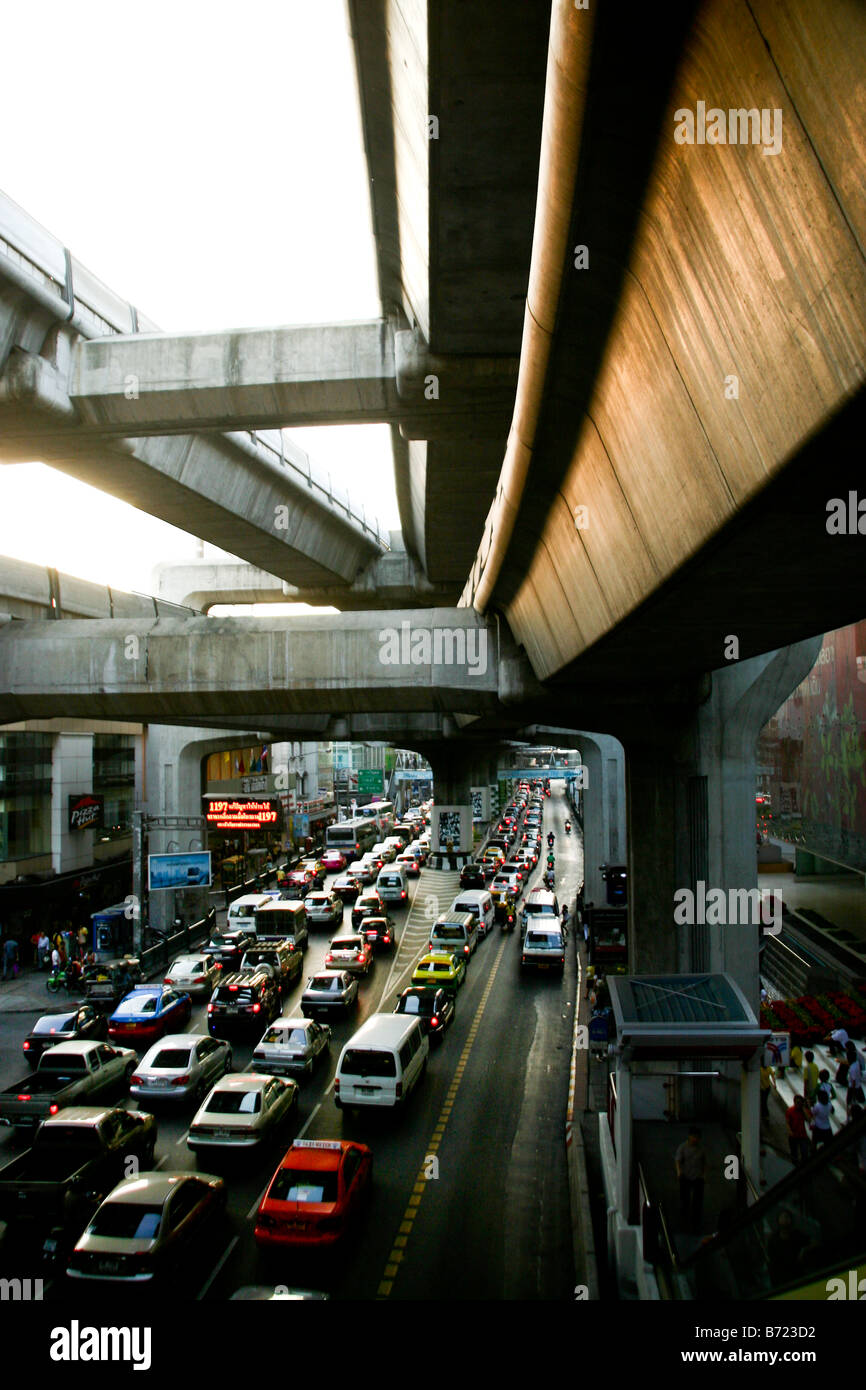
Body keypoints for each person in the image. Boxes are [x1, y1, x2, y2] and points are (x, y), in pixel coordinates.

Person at [675, 1128, 707, 1232]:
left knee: (697, 1200)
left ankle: (695, 1220)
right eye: (693, 1137)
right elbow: (678, 1160)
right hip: (685, 1175)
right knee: (685, 1199)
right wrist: (679, 1172)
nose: (695, 1139)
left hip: (697, 1176)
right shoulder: (683, 1147)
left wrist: (704, 1175)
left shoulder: (701, 1149)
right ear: (689, 1137)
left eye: (697, 1137)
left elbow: (704, 1162)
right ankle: (684, 1219)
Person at [785, 1094, 811, 1166]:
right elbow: (787, 1122)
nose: (798, 1104)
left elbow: (809, 1119)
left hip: (802, 1134)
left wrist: (803, 1109)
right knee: (794, 1153)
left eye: (800, 1103)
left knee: (804, 1152)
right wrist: (790, 1131)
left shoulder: (803, 1111)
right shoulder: (790, 1111)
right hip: (793, 1135)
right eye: (797, 1102)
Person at [810, 1086, 834, 1151]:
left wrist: (811, 1106)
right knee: (828, 1144)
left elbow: (813, 1112)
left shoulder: (818, 1106)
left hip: (818, 1126)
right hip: (827, 1127)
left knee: (814, 1142)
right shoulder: (829, 1105)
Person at [845, 1040, 864, 1116]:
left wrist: (852, 1092)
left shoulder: (852, 1068)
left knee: (849, 1103)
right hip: (858, 1086)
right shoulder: (856, 1063)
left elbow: (853, 1081)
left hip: (853, 1087)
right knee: (861, 1100)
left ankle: (848, 1118)